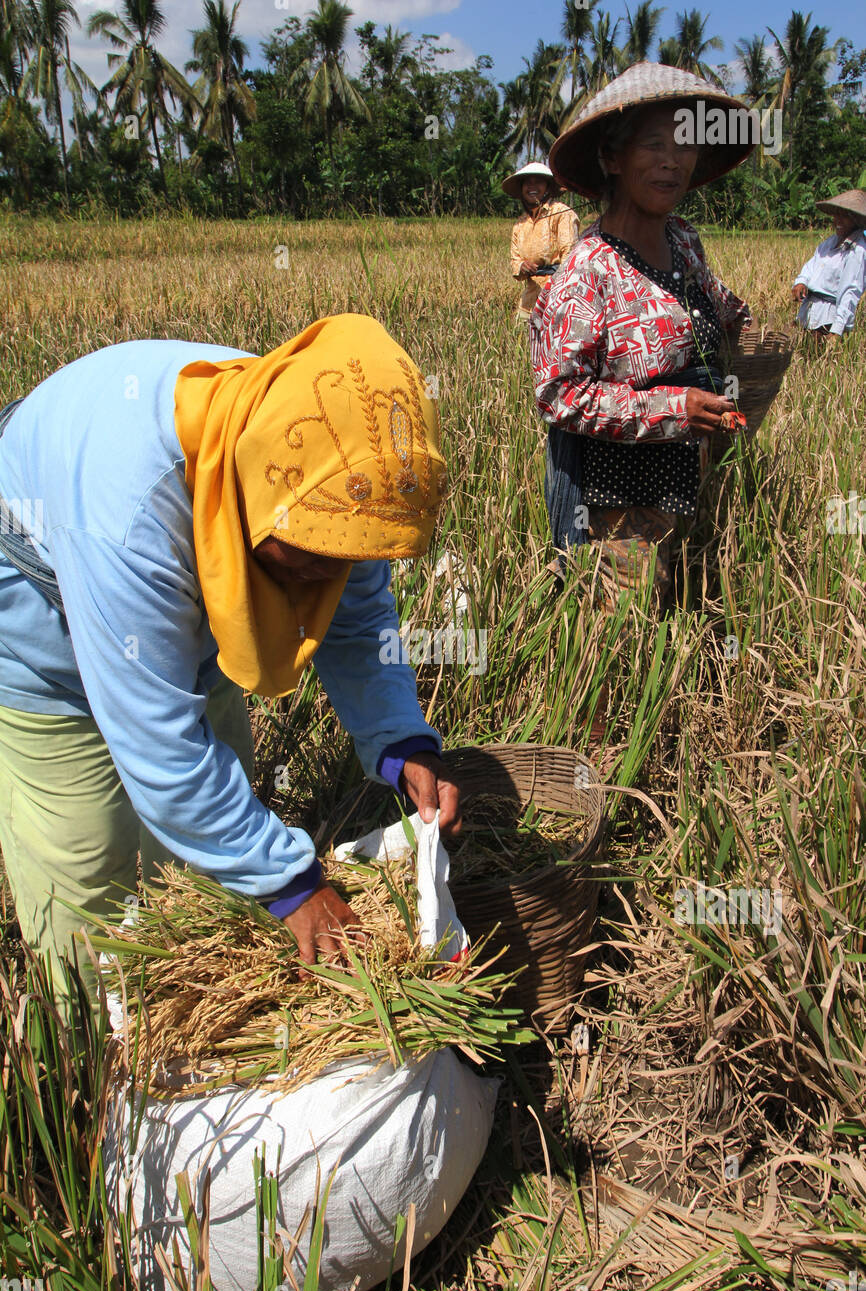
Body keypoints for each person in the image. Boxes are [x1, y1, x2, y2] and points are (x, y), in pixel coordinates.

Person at [0, 314, 461, 1007]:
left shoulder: (335, 469)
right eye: (308, 561)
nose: (318, 583)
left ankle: (200, 1003)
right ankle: (95, 1050)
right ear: (260, 498)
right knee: (89, 865)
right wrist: (294, 885)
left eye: (340, 562)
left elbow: (359, 621)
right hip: (45, 620)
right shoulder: (132, 512)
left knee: (209, 841)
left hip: (180, 589)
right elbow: (159, 739)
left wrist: (400, 741)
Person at [529, 62, 754, 607]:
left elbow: (724, 310)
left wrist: (753, 354)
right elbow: (559, 395)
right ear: (612, 157)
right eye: (653, 144)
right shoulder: (588, 270)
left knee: (675, 610)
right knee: (624, 638)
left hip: (682, 473)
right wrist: (674, 407)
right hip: (618, 490)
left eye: (685, 145)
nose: (672, 161)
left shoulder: (683, 242)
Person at [504, 162, 579, 322]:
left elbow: (570, 259)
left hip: (558, 300)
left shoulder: (562, 214)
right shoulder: (520, 224)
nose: (532, 186)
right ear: (522, 188)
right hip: (529, 301)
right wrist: (522, 267)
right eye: (527, 182)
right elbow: (514, 261)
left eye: (538, 181)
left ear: (548, 187)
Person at [792, 189, 866, 343]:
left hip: (828, 320)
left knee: (816, 360)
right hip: (809, 313)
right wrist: (801, 281)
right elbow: (812, 264)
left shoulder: (857, 251)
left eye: (844, 215)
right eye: (836, 214)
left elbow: (850, 292)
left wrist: (837, 330)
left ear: (856, 219)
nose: (838, 220)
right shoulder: (830, 242)